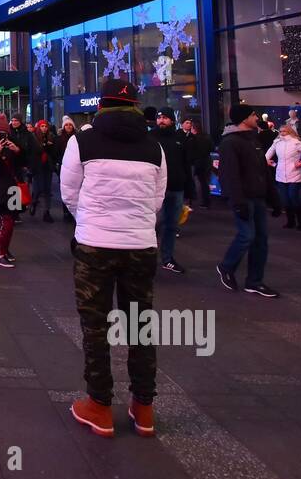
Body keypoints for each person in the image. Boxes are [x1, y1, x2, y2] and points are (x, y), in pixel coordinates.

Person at [59, 79, 166, 438]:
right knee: (140, 324)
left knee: (95, 326)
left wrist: (91, 219)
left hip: (95, 244)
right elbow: (156, 199)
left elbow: (69, 193)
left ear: (100, 105)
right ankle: (144, 407)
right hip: (140, 246)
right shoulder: (154, 146)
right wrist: (134, 224)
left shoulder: (82, 141)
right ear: (135, 105)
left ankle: (100, 406)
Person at [216, 104, 280, 298]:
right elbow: (229, 175)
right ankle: (226, 266)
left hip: (258, 197)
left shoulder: (255, 140)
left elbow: (263, 172)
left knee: (261, 240)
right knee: (247, 235)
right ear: (244, 119)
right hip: (244, 198)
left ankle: (254, 281)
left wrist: (273, 197)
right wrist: (237, 201)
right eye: (253, 115)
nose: (256, 117)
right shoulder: (230, 143)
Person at [151, 108, 190, 273]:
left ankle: (167, 258)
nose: (161, 120)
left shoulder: (179, 139)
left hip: (176, 188)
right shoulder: (150, 138)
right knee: (150, 225)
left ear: (172, 121)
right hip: (154, 189)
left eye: (165, 118)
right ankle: (145, 258)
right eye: (159, 118)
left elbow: (186, 164)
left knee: (171, 225)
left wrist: (189, 190)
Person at [0, 114, 26, 267]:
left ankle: (5, 249)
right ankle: (0, 254)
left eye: (4, 133)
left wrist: (17, 150)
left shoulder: (13, 143)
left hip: (13, 186)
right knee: (5, 220)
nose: (1, 136)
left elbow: (23, 163)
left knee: (11, 221)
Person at [266, 124, 301, 230]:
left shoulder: (296, 143)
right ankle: (290, 222)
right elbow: (267, 155)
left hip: (294, 174)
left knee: (293, 198)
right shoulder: (276, 143)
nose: (282, 133)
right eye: (281, 131)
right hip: (280, 175)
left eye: (284, 131)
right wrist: (269, 162)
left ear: (290, 132)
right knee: (285, 200)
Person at [29, 119, 58, 222]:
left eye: (45, 126)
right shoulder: (33, 137)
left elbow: (54, 152)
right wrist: (45, 146)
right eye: (42, 126)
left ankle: (47, 212)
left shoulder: (52, 137)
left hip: (48, 166)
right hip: (38, 166)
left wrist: (50, 148)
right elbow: (33, 151)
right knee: (38, 188)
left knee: (47, 189)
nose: (44, 128)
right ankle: (34, 202)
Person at [182, 118, 212, 208]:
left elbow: (190, 152)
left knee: (194, 182)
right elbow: (212, 147)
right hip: (206, 161)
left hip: (196, 163)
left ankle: (191, 201)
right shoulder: (207, 136)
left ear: (193, 128)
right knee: (204, 183)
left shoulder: (193, 139)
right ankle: (206, 202)